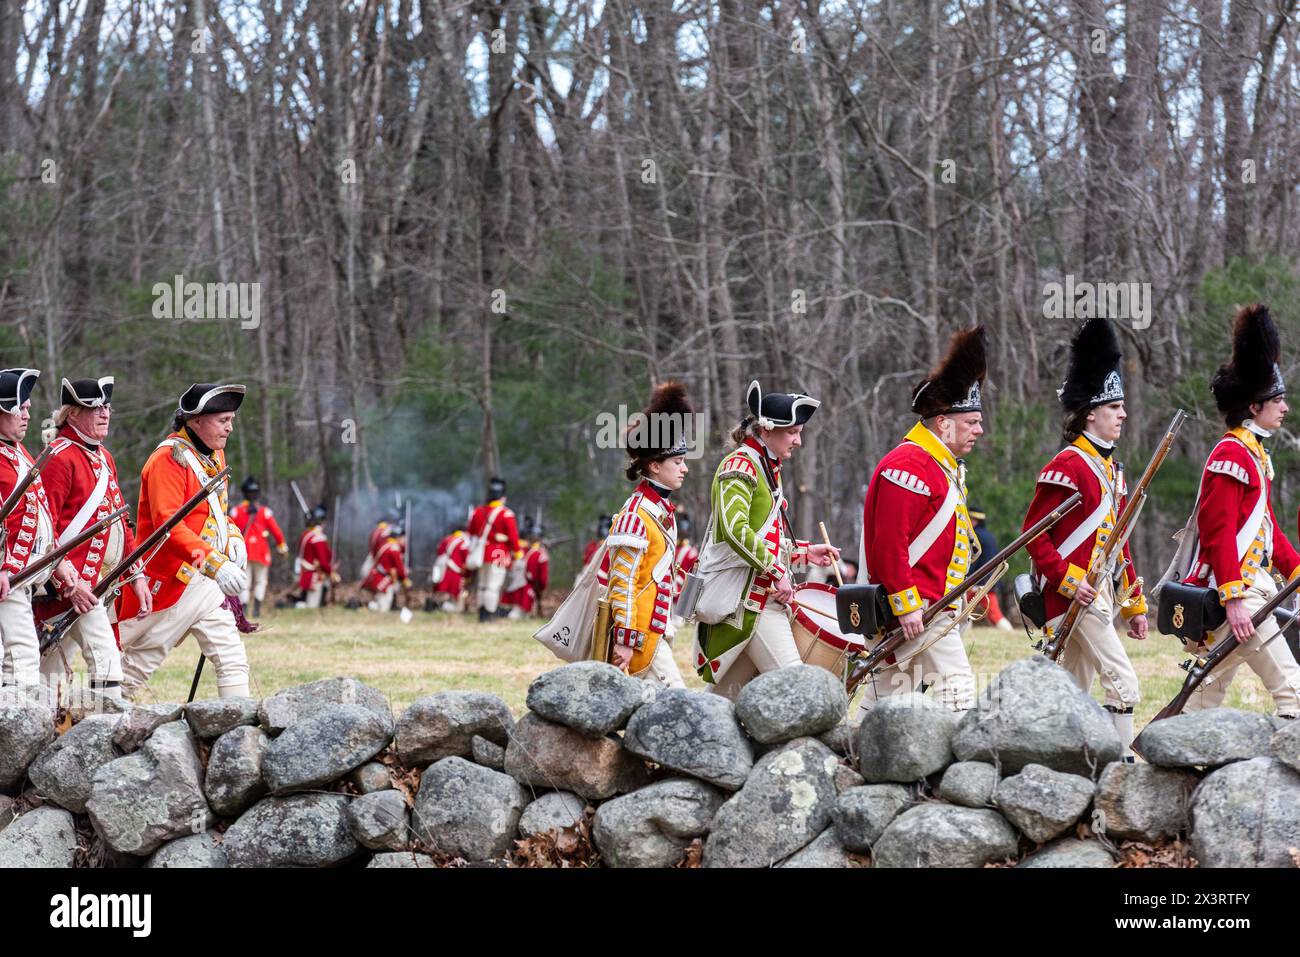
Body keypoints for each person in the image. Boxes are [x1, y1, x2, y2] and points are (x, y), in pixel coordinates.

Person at [1021, 318, 1148, 757]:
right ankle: (1121, 771)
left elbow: (1120, 542)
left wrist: (1133, 604)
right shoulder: (1069, 465)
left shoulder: (1113, 471)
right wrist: (1070, 581)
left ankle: (1056, 769)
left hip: (1098, 598)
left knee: (1073, 693)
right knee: (1124, 685)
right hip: (1070, 597)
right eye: (1115, 407)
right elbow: (1034, 537)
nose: (1123, 414)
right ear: (1092, 412)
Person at [856, 327, 986, 714]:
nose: (979, 430)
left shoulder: (940, 466)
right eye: (971, 421)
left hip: (932, 607)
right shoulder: (909, 464)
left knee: (884, 702)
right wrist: (907, 605)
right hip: (920, 611)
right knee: (960, 696)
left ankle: (852, 763)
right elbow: (889, 543)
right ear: (944, 422)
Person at [1179, 304, 1300, 717]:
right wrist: (1232, 598)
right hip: (1240, 595)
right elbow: (1218, 531)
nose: (1284, 407)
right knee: (1294, 692)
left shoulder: (1253, 454)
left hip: (1253, 589)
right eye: (1277, 400)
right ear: (1254, 407)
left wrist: (1296, 570)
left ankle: (1165, 771)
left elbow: (1266, 528)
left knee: (1202, 696)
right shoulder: (1232, 453)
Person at [693, 380, 839, 697]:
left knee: (722, 703)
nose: (799, 441)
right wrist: (777, 571)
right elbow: (735, 530)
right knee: (796, 688)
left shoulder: (765, 467)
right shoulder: (740, 465)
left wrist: (803, 553)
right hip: (749, 604)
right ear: (767, 429)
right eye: (793, 432)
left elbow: (762, 539)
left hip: (756, 601)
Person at [117, 383, 252, 699]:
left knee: (231, 655)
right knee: (138, 666)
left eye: (231, 419)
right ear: (195, 421)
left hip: (201, 580)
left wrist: (233, 536)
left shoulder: (214, 453)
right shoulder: (168, 459)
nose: (230, 428)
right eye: (223, 420)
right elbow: (170, 526)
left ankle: (237, 728)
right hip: (171, 579)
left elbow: (219, 512)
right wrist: (216, 564)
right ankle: (85, 721)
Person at [36, 376, 153, 699]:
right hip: (64, 586)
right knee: (95, 658)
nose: (105, 414)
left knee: (50, 670)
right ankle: (103, 728)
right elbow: (44, 529)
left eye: (107, 407)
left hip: (93, 586)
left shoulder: (104, 457)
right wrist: (69, 584)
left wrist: (137, 576)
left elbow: (120, 523)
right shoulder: (59, 456)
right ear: (72, 414)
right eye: (94, 407)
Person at [0, 368, 97, 693]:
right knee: (21, 659)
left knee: (20, 662)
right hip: (6, 578)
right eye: (20, 409)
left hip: (21, 578)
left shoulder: (17, 451)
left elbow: (40, 517)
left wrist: (59, 564)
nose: (27, 415)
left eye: (28, 408)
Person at [604, 382, 693, 686]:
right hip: (639, 640)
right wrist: (626, 639)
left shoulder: (658, 511)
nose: (684, 469)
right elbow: (623, 584)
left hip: (655, 635)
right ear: (655, 465)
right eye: (677, 462)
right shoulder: (635, 516)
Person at [229, 476, 288, 618]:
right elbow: (277, 532)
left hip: (243, 552)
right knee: (260, 581)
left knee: (245, 581)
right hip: (261, 552)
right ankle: (256, 608)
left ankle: (243, 609)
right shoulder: (264, 511)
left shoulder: (236, 511)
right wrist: (282, 547)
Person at [467, 477, 520, 622]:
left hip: (481, 553)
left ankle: (482, 613)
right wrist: (517, 554)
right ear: (502, 497)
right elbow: (514, 539)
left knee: (483, 585)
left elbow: (471, 533)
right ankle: (489, 615)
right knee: (493, 586)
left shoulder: (478, 511)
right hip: (499, 553)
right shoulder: (506, 514)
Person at [966, 506, 1012, 631]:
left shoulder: (976, 536)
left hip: (981, 582)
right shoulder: (989, 536)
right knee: (964, 609)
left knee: (994, 614)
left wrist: (967, 578)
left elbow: (974, 561)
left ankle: (1009, 632)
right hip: (989, 580)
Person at [295, 503, 338, 608]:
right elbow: (323, 562)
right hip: (313, 575)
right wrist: (331, 572)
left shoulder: (306, 535)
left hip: (303, 572)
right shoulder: (317, 538)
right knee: (312, 605)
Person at [362, 522, 410, 612]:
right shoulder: (394, 549)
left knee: (381, 601)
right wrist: (405, 579)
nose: (405, 540)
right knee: (383, 607)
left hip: (377, 577)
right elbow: (400, 569)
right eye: (403, 537)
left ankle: (371, 606)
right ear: (398, 538)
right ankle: (370, 607)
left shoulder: (385, 545)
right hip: (383, 580)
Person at [431, 522, 471, 612]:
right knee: (457, 599)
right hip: (454, 572)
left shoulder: (446, 539)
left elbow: (439, 553)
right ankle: (443, 606)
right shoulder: (464, 543)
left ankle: (438, 605)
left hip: (442, 570)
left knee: (441, 591)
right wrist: (468, 575)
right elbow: (466, 560)